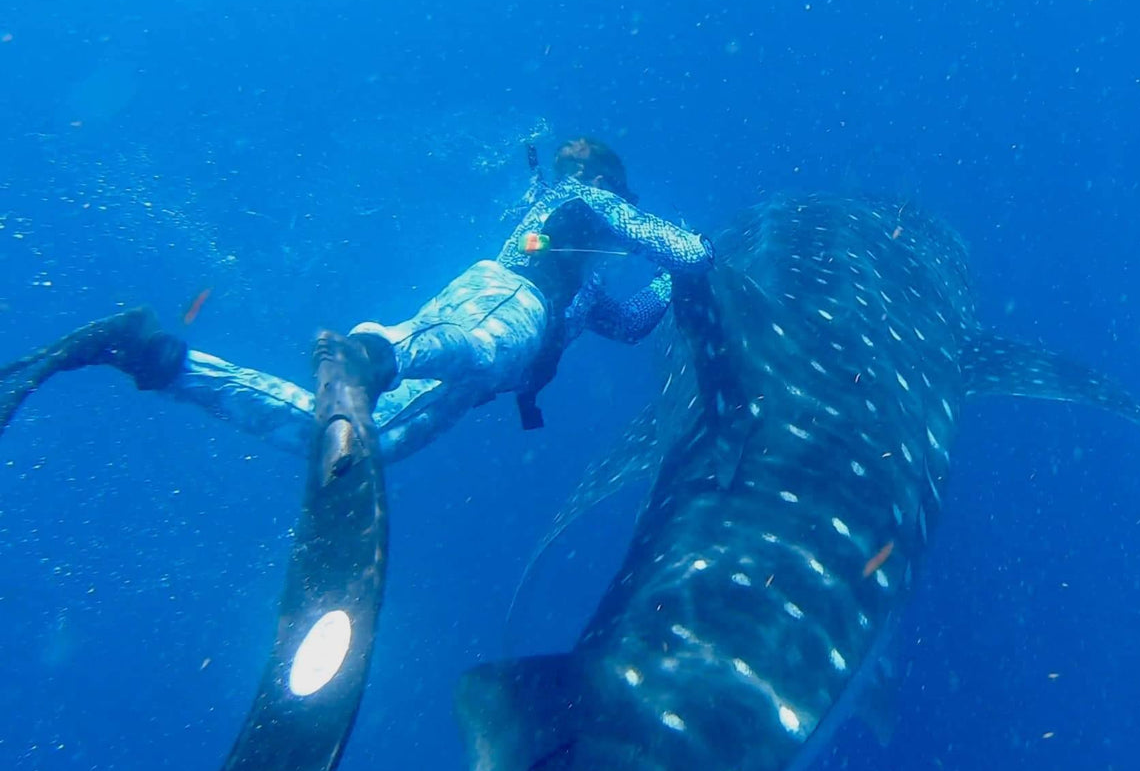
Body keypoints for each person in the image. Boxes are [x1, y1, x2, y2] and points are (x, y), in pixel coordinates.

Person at [0, 137, 714, 463]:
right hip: (508, 306)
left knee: (356, 445)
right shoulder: (586, 198)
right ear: (618, 189)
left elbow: (623, 325)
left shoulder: (586, 279)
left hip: (490, 336)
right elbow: (692, 254)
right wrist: (694, 249)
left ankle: (155, 356)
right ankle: (371, 354)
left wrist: (659, 287)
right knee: (485, 350)